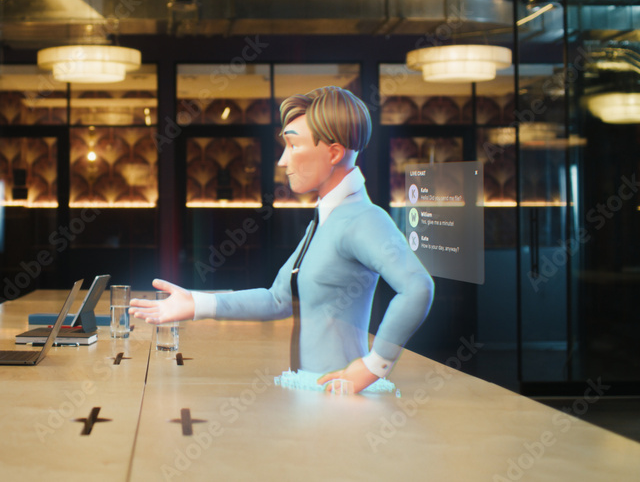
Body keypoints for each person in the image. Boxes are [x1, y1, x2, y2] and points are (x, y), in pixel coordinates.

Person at [130, 86, 433, 394]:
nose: (282, 161)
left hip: (341, 397)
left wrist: (373, 367)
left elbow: (418, 287)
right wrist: (196, 303)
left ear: (334, 152)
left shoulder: (364, 219)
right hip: (315, 389)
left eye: (293, 145)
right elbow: (277, 299)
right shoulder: (326, 219)